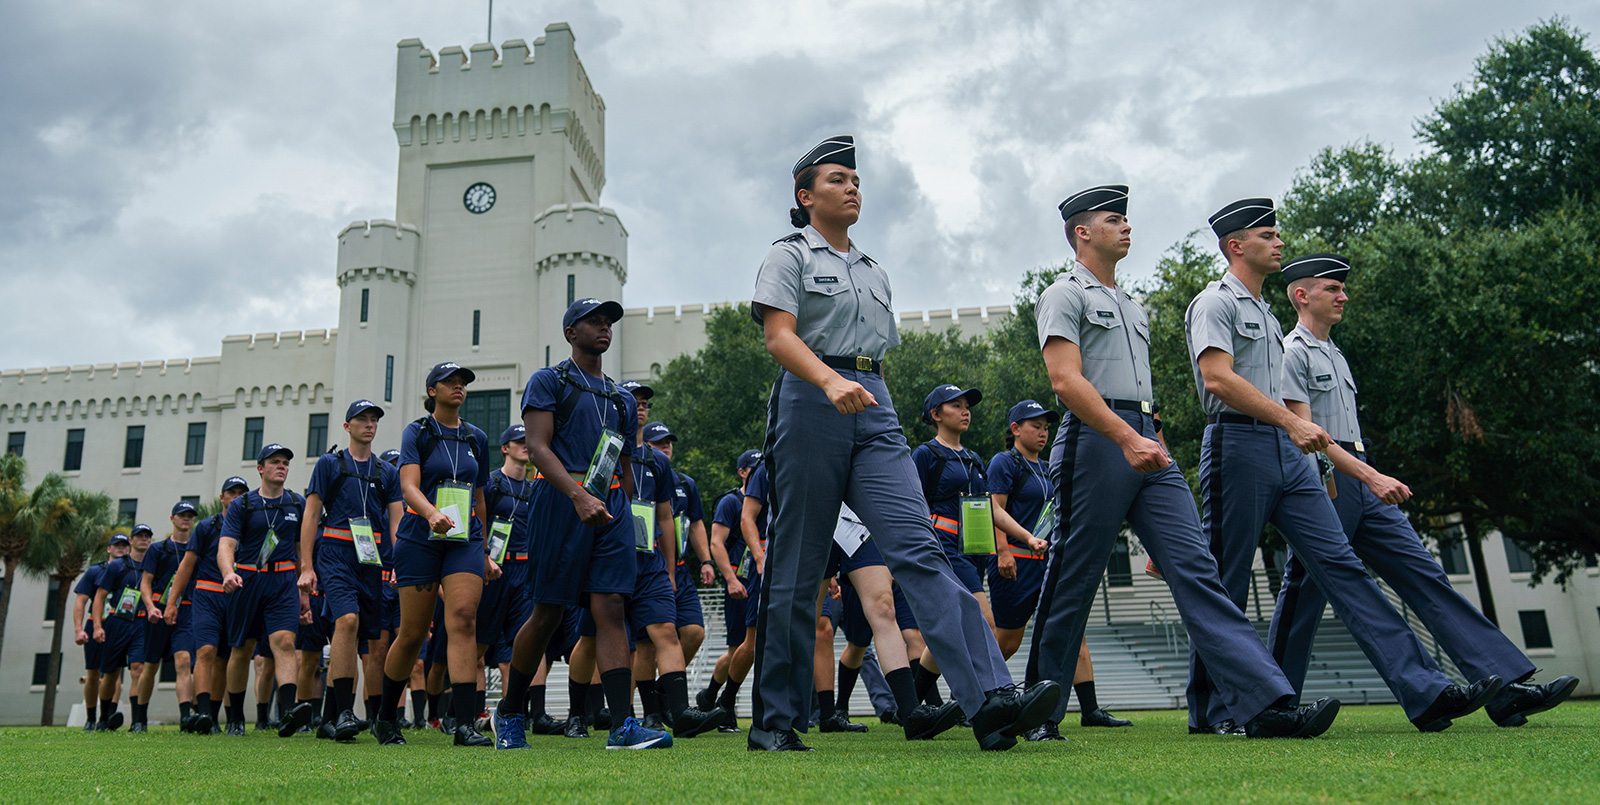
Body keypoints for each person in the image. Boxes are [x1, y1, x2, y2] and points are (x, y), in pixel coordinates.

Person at [749, 134, 1057, 752]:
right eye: (837, 180)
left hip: (873, 404)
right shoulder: (789, 256)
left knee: (920, 549)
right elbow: (780, 337)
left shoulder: (873, 270)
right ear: (805, 197)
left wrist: (872, 399)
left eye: (855, 180)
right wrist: (831, 381)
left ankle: (992, 700)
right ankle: (775, 722)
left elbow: (877, 356)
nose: (852, 187)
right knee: (800, 564)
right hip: (812, 400)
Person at [1028, 185, 1340, 740]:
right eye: (1113, 219)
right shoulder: (1062, 294)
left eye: (1126, 219)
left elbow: (1141, 391)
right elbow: (1065, 380)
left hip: (1147, 440)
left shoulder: (1130, 303)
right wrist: (1127, 437)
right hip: (1097, 441)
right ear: (1082, 232)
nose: (1126, 227)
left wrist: (1154, 439)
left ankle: (1266, 703)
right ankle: (1038, 709)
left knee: (1199, 572)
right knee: (1074, 573)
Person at [1185, 197, 1502, 732]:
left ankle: (1426, 693)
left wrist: (1292, 432)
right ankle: (1214, 710)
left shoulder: (1264, 312)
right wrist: (1291, 423)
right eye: (1267, 234)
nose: (1279, 241)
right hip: (1238, 446)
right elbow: (1217, 379)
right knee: (1226, 581)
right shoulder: (1213, 303)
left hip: (1289, 452)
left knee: (1346, 570)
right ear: (1235, 246)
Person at [1268, 253, 1580, 726]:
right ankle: (1270, 703)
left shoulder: (1334, 352)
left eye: (1342, 288)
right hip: (1327, 481)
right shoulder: (1292, 352)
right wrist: (1362, 478)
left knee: (1424, 574)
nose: (1343, 296)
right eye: (1333, 288)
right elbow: (1306, 434)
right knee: (1302, 594)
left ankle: (1506, 686)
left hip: (1361, 473)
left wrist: (1369, 474)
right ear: (1301, 294)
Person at [490, 299, 672, 751]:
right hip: (560, 501)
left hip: (608, 507)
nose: (604, 327)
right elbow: (536, 446)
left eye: (608, 321)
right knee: (549, 612)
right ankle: (510, 714)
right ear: (571, 332)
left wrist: (622, 506)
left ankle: (622, 727)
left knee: (610, 607)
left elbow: (625, 465)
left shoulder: (621, 398)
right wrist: (577, 496)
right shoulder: (548, 381)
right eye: (594, 321)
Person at [373, 362, 497, 747]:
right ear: (432, 391)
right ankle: (386, 719)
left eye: (463, 382)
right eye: (450, 382)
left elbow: (479, 497)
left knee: (463, 620)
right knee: (411, 635)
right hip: (420, 537)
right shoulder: (418, 432)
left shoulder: (476, 438)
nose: (459, 387)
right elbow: (407, 486)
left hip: (464, 541)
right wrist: (431, 513)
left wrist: (487, 550)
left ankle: (462, 725)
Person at [299, 399, 403, 741]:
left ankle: (329, 719)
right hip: (335, 552)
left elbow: (396, 520)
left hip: (370, 558)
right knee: (347, 621)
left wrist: (399, 562)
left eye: (374, 419)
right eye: (362, 419)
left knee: (360, 636)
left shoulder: (387, 472)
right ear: (347, 426)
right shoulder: (329, 464)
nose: (369, 425)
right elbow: (311, 515)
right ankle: (345, 711)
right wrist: (306, 566)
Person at [219, 444, 315, 737]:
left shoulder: (297, 504)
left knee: (286, 643)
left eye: (285, 462)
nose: (281, 467)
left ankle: (287, 714)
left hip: (284, 580)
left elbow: (302, 551)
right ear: (260, 468)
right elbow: (226, 545)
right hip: (247, 578)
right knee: (242, 649)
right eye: (275, 462)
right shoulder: (242, 505)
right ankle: (235, 716)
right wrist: (228, 573)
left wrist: (304, 593)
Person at [473, 424, 562, 734]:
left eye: (528, 441)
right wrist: (483, 557)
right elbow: (480, 520)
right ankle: (472, 712)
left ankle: (534, 714)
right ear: (505, 448)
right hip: (495, 570)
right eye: (518, 441)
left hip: (526, 573)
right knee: (478, 644)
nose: (525, 446)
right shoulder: (493, 483)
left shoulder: (537, 485)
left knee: (530, 639)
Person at [641, 420, 726, 732]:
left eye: (669, 442)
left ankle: (667, 690)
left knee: (693, 632)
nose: (666, 447)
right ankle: (653, 711)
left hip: (678, 567)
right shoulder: (638, 476)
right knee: (648, 643)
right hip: (647, 565)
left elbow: (696, 524)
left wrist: (706, 560)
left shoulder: (684, 483)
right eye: (659, 443)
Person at [171, 476, 250, 734]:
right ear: (222, 497)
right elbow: (186, 566)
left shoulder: (252, 527)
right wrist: (172, 602)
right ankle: (203, 711)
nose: (237, 496)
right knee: (205, 651)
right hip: (206, 596)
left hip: (237, 598)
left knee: (225, 659)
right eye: (232, 492)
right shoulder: (206, 527)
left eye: (242, 492)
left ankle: (215, 717)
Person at [695, 448, 762, 732]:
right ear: (742, 472)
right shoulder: (731, 503)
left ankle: (712, 696)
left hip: (759, 579)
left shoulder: (767, 501)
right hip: (739, 581)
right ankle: (723, 704)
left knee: (751, 647)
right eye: (754, 469)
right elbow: (716, 542)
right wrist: (731, 580)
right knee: (738, 649)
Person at [136, 502, 199, 730]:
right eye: (182, 515)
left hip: (186, 613)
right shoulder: (158, 549)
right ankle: (139, 718)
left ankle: (185, 717)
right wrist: (151, 607)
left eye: (190, 516)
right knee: (150, 666)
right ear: (172, 518)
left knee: (183, 661)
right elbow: (145, 582)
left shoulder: (196, 550)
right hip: (158, 613)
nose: (186, 519)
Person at [92, 527, 151, 732]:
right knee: (110, 672)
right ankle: (103, 718)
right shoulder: (117, 566)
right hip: (118, 621)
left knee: (139, 669)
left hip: (142, 623)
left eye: (147, 537)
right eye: (139, 536)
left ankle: (137, 721)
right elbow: (100, 596)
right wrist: (98, 626)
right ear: (131, 540)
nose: (143, 540)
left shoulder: (152, 565)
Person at [73, 539, 120, 732]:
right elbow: (81, 601)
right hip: (96, 624)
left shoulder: (133, 570)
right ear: (109, 549)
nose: (122, 549)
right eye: (117, 545)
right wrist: (79, 629)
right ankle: (91, 719)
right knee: (93, 674)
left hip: (119, 627)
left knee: (114, 673)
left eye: (126, 546)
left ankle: (107, 717)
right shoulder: (95, 571)